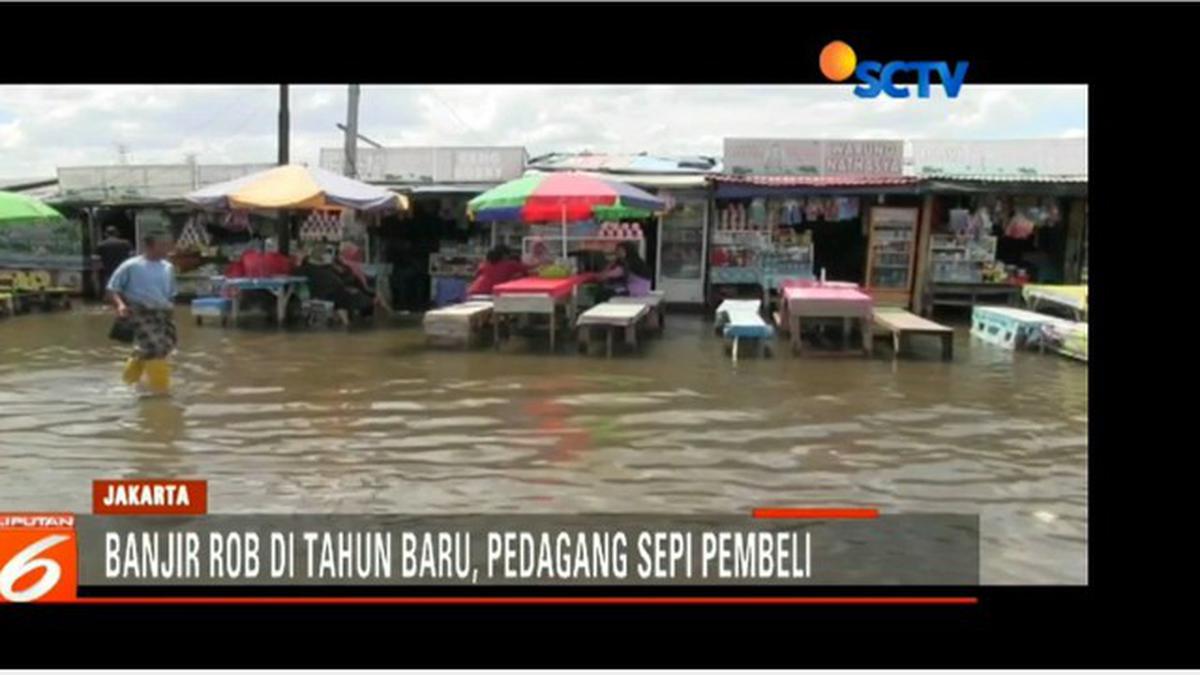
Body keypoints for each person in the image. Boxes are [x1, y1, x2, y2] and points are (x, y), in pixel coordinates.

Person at [106, 232, 177, 395]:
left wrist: (171, 312)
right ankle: (161, 392)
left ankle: (129, 383)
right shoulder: (131, 265)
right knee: (156, 348)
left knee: (161, 348)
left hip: (162, 312)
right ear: (150, 246)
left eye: (167, 245)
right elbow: (112, 289)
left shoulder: (168, 267)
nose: (167, 249)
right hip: (138, 310)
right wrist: (121, 305)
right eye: (163, 245)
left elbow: (171, 294)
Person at [295, 248, 374, 326]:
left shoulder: (315, 268)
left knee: (352, 299)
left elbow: (297, 273)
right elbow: (346, 277)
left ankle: (347, 322)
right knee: (351, 300)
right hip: (333, 293)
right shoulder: (316, 268)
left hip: (333, 293)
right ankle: (348, 323)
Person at [467, 245, 532, 296]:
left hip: (473, 291)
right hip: (489, 293)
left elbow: (476, 276)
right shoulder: (509, 264)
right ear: (505, 255)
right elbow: (529, 269)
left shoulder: (484, 264)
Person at [96, 226, 133, 295]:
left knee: (110, 293)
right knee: (123, 293)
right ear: (117, 233)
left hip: (108, 273)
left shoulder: (101, 245)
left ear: (106, 234)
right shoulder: (126, 243)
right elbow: (131, 257)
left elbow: (98, 261)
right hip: (123, 272)